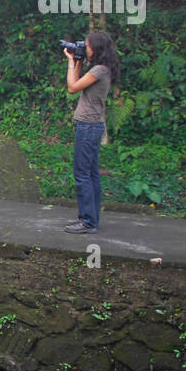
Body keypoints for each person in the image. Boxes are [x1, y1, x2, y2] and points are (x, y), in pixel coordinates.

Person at [63, 31, 119, 234]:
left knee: (82, 174)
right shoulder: (100, 68)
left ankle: (87, 221)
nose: (85, 48)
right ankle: (91, 219)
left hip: (88, 126)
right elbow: (77, 80)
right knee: (92, 174)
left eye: (86, 46)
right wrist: (77, 58)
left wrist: (70, 63)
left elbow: (72, 87)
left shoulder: (99, 70)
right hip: (91, 126)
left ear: (96, 48)